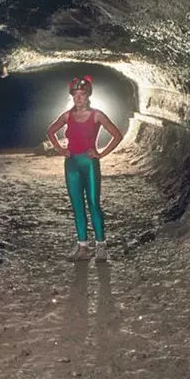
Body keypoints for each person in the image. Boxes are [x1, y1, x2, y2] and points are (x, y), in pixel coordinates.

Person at [46, 75, 124, 262]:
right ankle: (82, 247)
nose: (78, 98)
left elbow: (117, 135)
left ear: (88, 95)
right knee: (77, 205)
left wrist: (101, 154)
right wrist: (59, 148)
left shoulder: (97, 115)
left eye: (82, 94)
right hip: (71, 162)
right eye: (75, 94)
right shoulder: (67, 116)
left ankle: (101, 246)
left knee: (93, 203)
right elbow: (50, 131)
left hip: (89, 163)